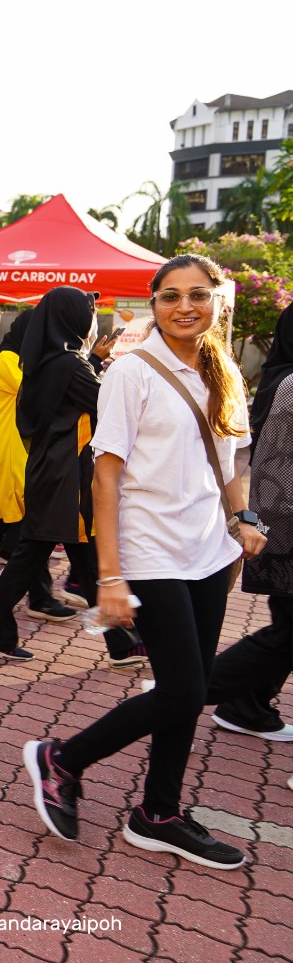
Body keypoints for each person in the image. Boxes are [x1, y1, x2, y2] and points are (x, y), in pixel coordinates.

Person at [26, 254, 261, 870]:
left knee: (188, 690)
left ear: (218, 301)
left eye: (199, 294)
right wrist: (108, 573)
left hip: (210, 552)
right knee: (185, 689)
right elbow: (105, 478)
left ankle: (158, 813)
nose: (186, 306)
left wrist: (245, 519)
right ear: (153, 303)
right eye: (171, 296)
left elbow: (231, 464)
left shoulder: (224, 371)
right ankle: (63, 759)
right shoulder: (133, 373)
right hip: (150, 550)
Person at [0, 288, 102, 659]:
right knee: (44, 555)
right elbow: (108, 404)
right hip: (66, 476)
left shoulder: (41, 362)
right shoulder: (71, 365)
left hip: (47, 469)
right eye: (89, 312)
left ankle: (122, 644)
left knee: (74, 557)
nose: (92, 320)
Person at [208, 303, 293, 740]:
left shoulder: (278, 378)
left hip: (274, 518)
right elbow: (276, 466)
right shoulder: (292, 384)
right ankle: (195, 688)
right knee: (289, 630)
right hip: (284, 523)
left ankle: (246, 704)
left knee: (288, 626)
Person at [0, 310, 59, 616]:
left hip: (6, 445)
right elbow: (41, 393)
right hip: (8, 447)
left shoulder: (19, 358)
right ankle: (40, 598)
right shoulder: (8, 359)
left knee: (0, 522)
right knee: (24, 523)